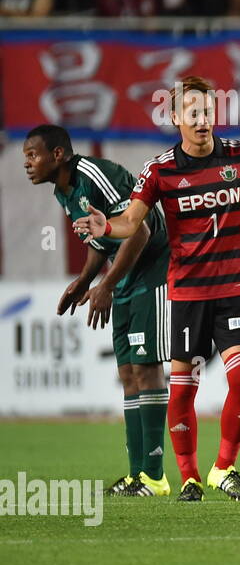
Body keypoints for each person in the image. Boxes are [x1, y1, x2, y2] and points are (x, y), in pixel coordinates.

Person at [73, 76, 240, 502]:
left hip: (234, 291)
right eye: (192, 113)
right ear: (176, 117)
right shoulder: (159, 170)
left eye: (206, 111)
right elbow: (131, 221)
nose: (201, 120)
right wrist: (108, 225)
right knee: (182, 390)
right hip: (186, 295)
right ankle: (190, 477)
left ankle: (224, 467)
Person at [24, 124, 170, 496]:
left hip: (151, 270)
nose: (27, 163)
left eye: (32, 154)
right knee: (127, 372)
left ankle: (154, 475)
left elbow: (138, 232)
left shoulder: (93, 175)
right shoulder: (64, 191)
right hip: (121, 276)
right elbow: (103, 238)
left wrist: (104, 284)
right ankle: (138, 474)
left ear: (58, 154)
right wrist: (86, 280)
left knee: (146, 367)